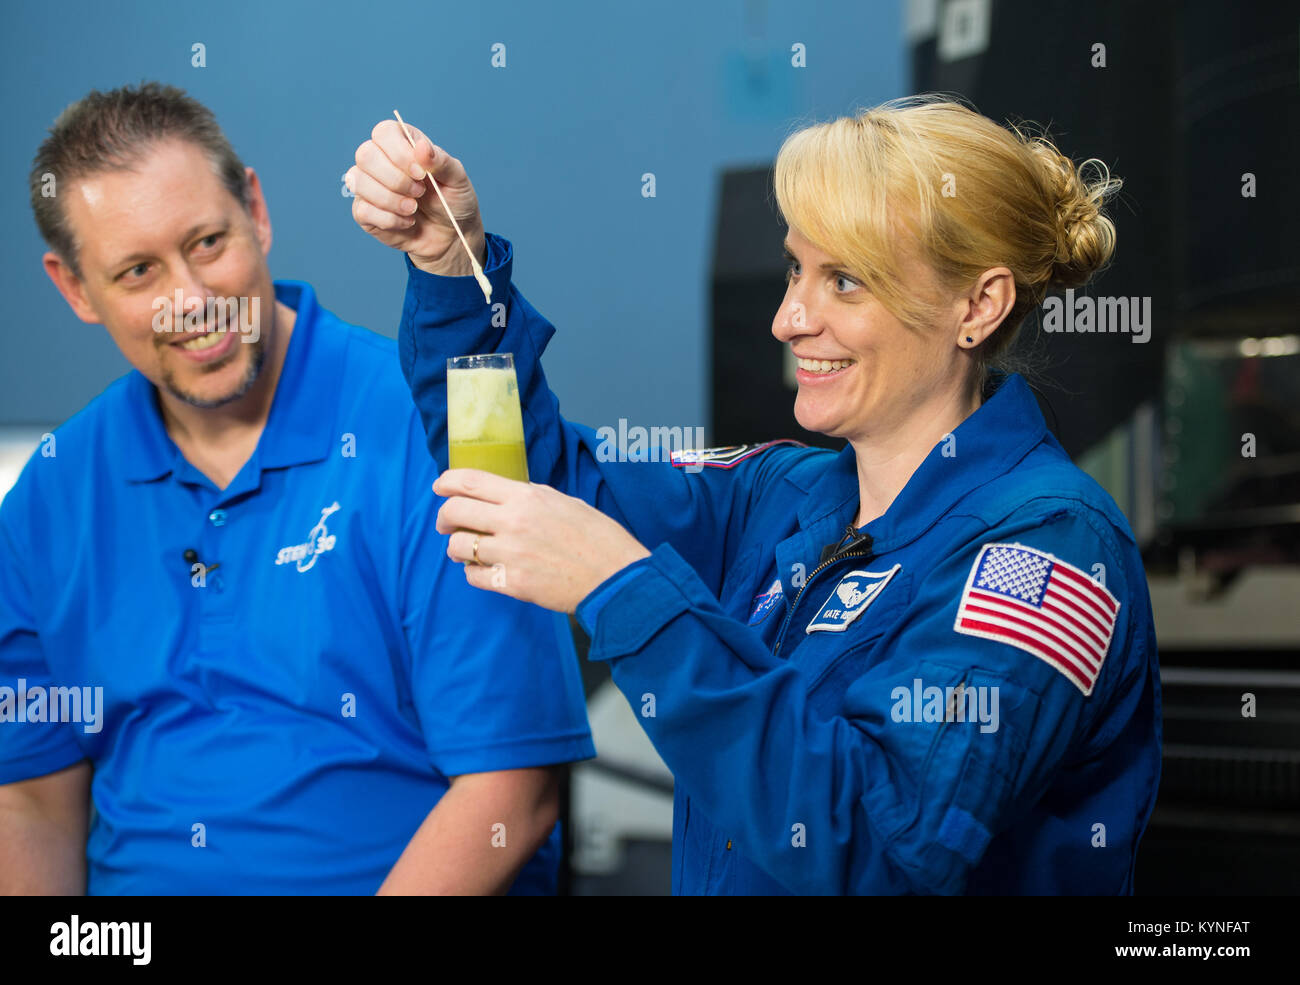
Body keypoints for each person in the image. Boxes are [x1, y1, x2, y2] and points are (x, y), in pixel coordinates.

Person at [348, 94, 1162, 895]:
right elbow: (526, 486)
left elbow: (886, 848)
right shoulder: (782, 494)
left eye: (845, 280)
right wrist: (452, 269)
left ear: (978, 305)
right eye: (796, 268)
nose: (788, 318)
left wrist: (625, 593)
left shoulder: (1048, 547)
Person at [0, 82, 595, 895]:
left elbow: (514, 792)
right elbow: (30, 802)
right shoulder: (52, 495)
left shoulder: (435, 428)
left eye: (208, 243)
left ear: (255, 208)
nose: (192, 303)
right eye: (138, 271)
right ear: (75, 289)